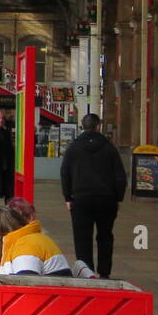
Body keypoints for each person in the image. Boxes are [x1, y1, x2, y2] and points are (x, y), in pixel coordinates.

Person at [60, 112, 127, 279]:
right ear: (98, 127)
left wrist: (68, 197)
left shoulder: (73, 148)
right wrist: (118, 197)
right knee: (105, 236)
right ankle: (104, 272)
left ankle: (86, 271)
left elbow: (65, 174)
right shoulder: (109, 148)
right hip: (107, 199)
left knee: (82, 236)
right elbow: (120, 175)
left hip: (80, 199)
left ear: (82, 127)